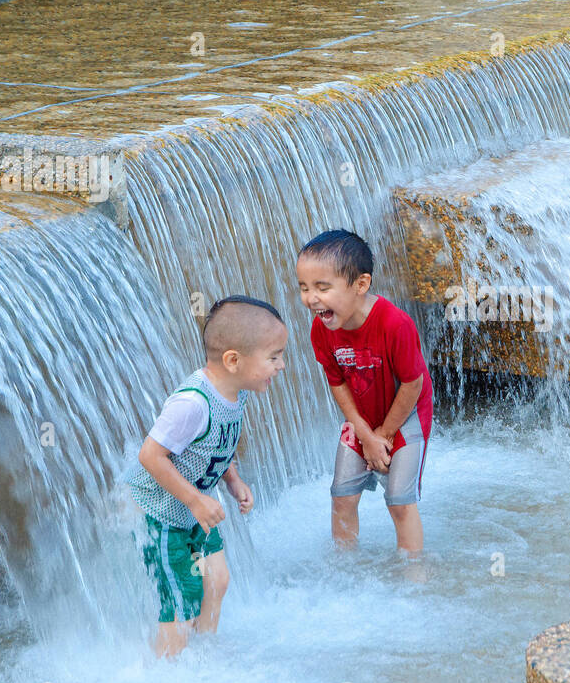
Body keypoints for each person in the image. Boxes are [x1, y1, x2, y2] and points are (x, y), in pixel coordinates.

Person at [126, 295, 288, 657]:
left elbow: (212, 446)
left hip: (194, 508)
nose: (282, 366)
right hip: (162, 516)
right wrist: (197, 499)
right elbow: (150, 456)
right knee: (182, 597)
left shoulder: (237, 390)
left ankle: (205, 656)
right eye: (274, 357)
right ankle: (169, 675)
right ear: (233, 360)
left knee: (217, 580)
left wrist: (232, 481)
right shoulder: (192, 404)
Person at [296, 229, 433, 556]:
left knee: (399, 502)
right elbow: (337, 383)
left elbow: (413, 385)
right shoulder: (322, 329)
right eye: (303, 288)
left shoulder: (394, 325)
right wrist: (364, 433)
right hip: (361, 416)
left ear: (361, 284)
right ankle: (346, 570)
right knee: (342, 497)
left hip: (405, 415)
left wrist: (383, 435)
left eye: (322, 287)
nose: (311, 298)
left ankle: (413, 573)